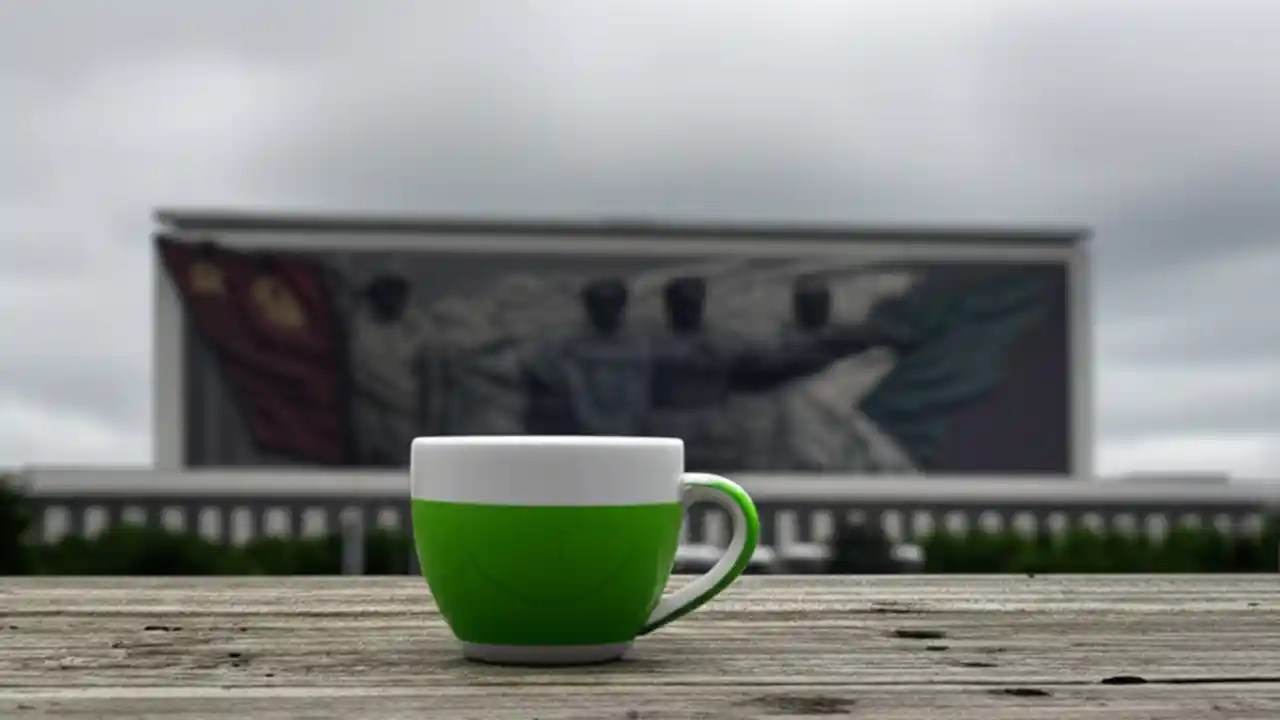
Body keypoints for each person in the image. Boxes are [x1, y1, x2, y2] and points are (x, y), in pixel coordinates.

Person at [524, 278, 652, 436]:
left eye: (612, 304)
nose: (606, 311)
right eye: (600, 305)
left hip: (631, 432)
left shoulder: (641, 348)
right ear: (589, 307)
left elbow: (643, 393)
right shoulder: (564, 349)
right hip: (578, 432)